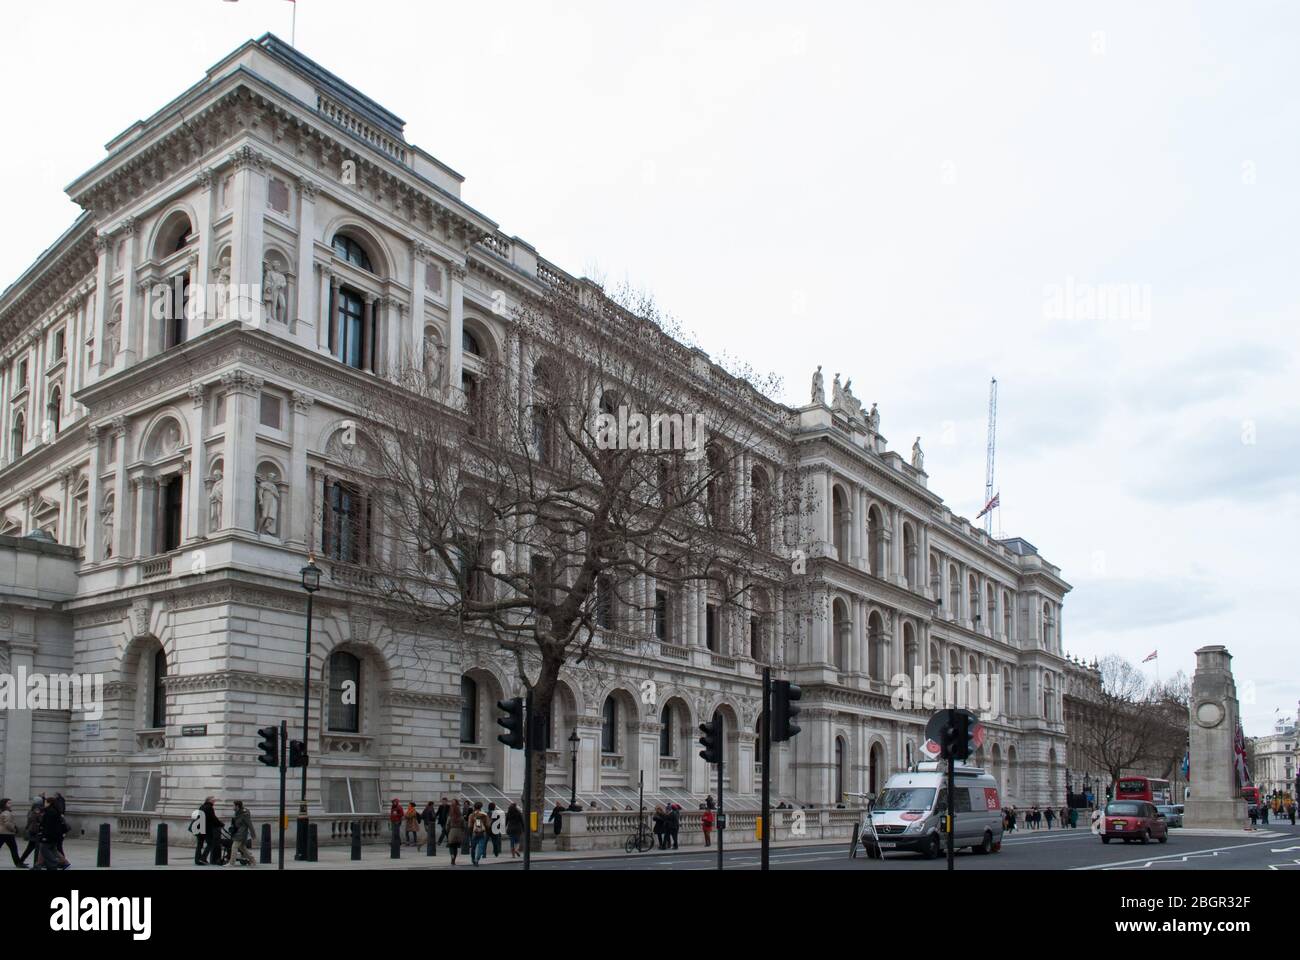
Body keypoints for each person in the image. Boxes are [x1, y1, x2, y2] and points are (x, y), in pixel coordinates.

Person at [36, 795, 68, 871]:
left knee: (44, 849)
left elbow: (48, 825)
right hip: (55, 835)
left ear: (49, 803)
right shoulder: (55, 811)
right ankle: (42, 865)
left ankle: (53, 863)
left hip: (49, 835)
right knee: (52, 849)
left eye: (45, 802)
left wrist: (44, 835)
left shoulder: (50, 812)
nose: (44, 804)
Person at [228, 801, 255, 867]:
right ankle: (252, 860)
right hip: (237, 833)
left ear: (237, 806)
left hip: (241, 833)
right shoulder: (237, 813)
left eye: (233, 805)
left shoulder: (244, 814)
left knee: (234, 847)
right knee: (242, 848)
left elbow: (249, 824)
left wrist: (253, 833)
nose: (232, 807)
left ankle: (231, 863)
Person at [0, 799, 25, 868]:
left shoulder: (2, 812)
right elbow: (7, 823)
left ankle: (18, 863)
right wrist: (14, 829)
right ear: (4, 804)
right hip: (7, 833)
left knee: (13, 848)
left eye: (10, 803)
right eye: (8, 803)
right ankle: (18, 863)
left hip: (3, 833)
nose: (10, 804)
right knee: (14, 848)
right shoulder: (7, 813)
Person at [201, 796, 223, 865]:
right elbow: (213, 818)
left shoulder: (202, 806)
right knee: (210, 843)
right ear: (209, 800)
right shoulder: (209, 807)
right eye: (213, 800)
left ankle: (202, 858)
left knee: (209, 843)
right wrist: (220, 824)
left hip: (203, 827)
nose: (214, 801)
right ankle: (203, 858)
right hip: (208, 828)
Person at [467, 801, 490, 866]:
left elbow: (470, 826)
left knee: (473, 847)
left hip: (474, 832)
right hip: (482, 832)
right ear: (481, 807)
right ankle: (477, 859)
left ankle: (473, 859)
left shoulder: (471, 815)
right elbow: (488, 825)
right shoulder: (484, 814)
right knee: (481, 847)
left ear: (474, 807)